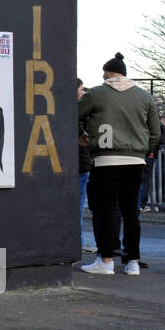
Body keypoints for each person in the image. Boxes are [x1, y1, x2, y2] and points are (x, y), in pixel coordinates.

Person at [78, 52, 160, 276]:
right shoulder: (145, 97)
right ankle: (133, 261)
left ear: (107, 73)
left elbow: (73, 114)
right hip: (135, 160)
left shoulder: (96, 93)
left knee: (104, 211)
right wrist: (144, 150)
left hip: (105, 159)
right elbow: (155, 132)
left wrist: (81, 135)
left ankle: (105, 261)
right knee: (130, 212)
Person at [76, 78, 91, 228]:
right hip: (81, 164)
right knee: (78, 206)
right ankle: (78, 241)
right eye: (81, 89)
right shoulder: (80, 114)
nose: (84, 92)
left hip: (78, 163)